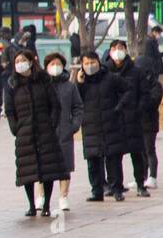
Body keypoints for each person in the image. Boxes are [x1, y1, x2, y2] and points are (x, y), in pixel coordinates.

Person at [4, 50, 67, 216]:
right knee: (28, 170)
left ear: (31, 62)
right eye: (17, 61)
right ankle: (31, 205)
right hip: (24, 132)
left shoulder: (43, 80)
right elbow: (10, 110)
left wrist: (51, 124)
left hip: (45, 130)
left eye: (23, 60)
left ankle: (46, 205)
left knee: (48, 169)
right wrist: (15, 128)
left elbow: (55, 105)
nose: (20, 63)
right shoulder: (12, 84)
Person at [76, 50, 129, 201]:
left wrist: (119, 107)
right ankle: (97, 191)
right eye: (86, 63)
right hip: (91, 127)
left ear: (98, 62)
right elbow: (76, 100)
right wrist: (79, 83)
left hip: (111, 124)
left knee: (113, 160)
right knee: (93, 162)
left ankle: (116, 189)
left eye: (92, 63)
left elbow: (128, 90)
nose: (90, 66)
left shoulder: (111, 78)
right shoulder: (82, 82)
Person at [104, 39, 151, 198]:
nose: (118, 51)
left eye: (121, 48)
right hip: (113, 120)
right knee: (113, 157)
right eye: (115, 48)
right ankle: (116, 187)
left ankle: (140, 184)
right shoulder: (105, 72)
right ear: (110, 51)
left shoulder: (136, 72)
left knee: (137, 154)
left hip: (132, 118)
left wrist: (138, 110)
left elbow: (145, 94)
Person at [44, 52, 84, 211]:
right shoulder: (42, 86)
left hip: (65, 131)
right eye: (52, 64)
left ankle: (63, 196)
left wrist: (74, 125)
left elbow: (78, 107)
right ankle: (41, 197)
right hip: (45, 132)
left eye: (58, 64)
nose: (55, 67)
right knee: (44, 166)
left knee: (65, 165)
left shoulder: (70, 86)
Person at [135, 36, 163, 186]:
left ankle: (152, 176)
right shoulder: (134, 84)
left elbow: (152, 102)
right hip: (136, 123)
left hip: (149, 123)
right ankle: (141, 177)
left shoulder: (155, 86)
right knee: (138, 152)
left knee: (149, 150)